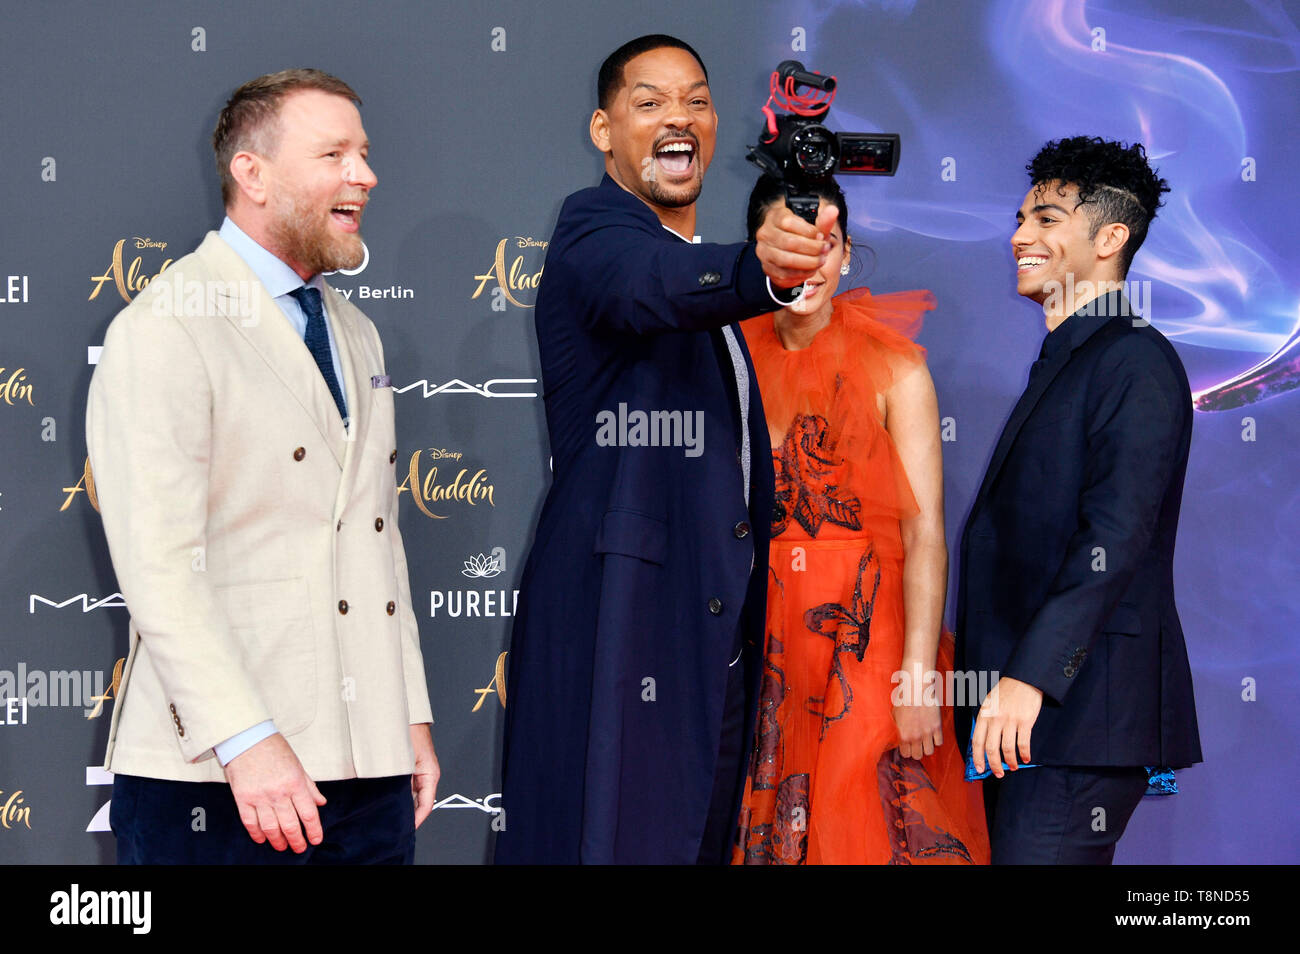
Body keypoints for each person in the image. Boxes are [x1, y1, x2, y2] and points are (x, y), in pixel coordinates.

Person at [494, 35, 837, 865]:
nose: (677, 117)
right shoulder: (593, 231)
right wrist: (760, 273)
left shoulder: (691, 273)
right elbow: (647, 284)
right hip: (622, 627)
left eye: (696, 100)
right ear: (604, 130)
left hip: (709, 644)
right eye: (649, 103)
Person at [86, 69, 438, 864]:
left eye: (365, 153)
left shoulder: (356, 332)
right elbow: (158, 565)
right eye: (334, 154)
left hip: (366, 774)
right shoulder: (168, 326)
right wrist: (246, 742)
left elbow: (378, 545)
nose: (366, 175)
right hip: (215, 783)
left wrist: (405, 715)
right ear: (252, 174)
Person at [956, 136, 1202, 864]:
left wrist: (1029, 677)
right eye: (1023, 219)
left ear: (1110, 237)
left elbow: (1117, 535)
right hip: (1033, 720)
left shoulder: (1135, 358)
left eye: (1047, 219)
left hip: (1074, 712)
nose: (1020, 237)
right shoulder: (1072, 357)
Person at [731, 175, 989, 864]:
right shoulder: (727, 362)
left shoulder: (896, 367)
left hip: (870, 646)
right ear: (759, 251)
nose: (811, 264)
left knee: (865, 833)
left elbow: (925, 531)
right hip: (763, 642)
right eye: (794, 244)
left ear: (846, 255)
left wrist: (917, 678)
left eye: (829, 244)